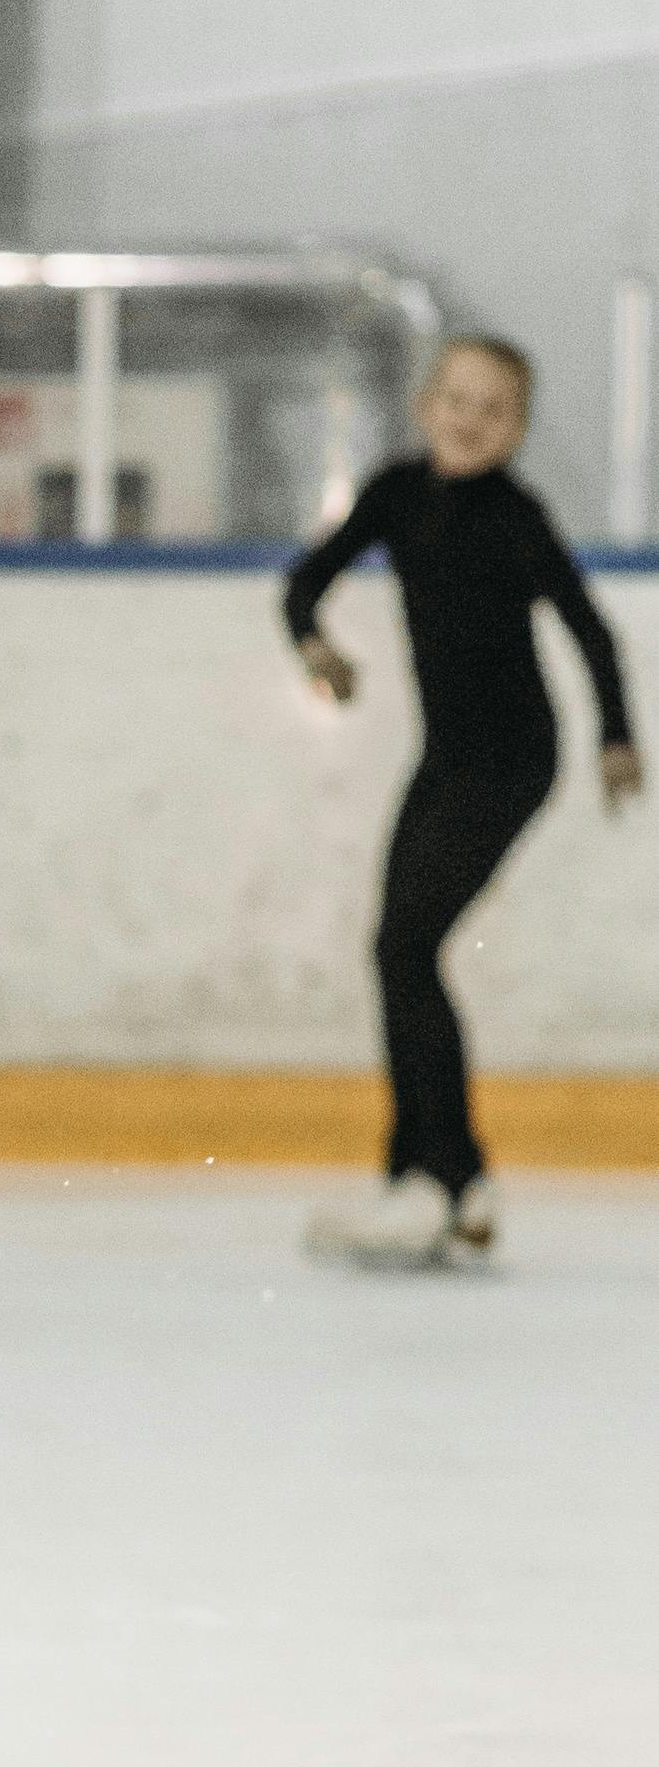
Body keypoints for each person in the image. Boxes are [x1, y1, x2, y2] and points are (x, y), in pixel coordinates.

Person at [283, 333, 641, 1263]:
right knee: (396, 951)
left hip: (515, 762)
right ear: (424, 406)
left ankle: (434, 1179)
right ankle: (450, 1181)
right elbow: (306, 581)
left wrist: (615, 737)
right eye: (457, 401)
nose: (471, 421)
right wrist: (317, 647)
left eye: (494, 410)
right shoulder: (397, 494)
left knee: (406, 949)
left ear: (517, 430)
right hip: (444, 760)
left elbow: (592, 631)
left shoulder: (518, 516)